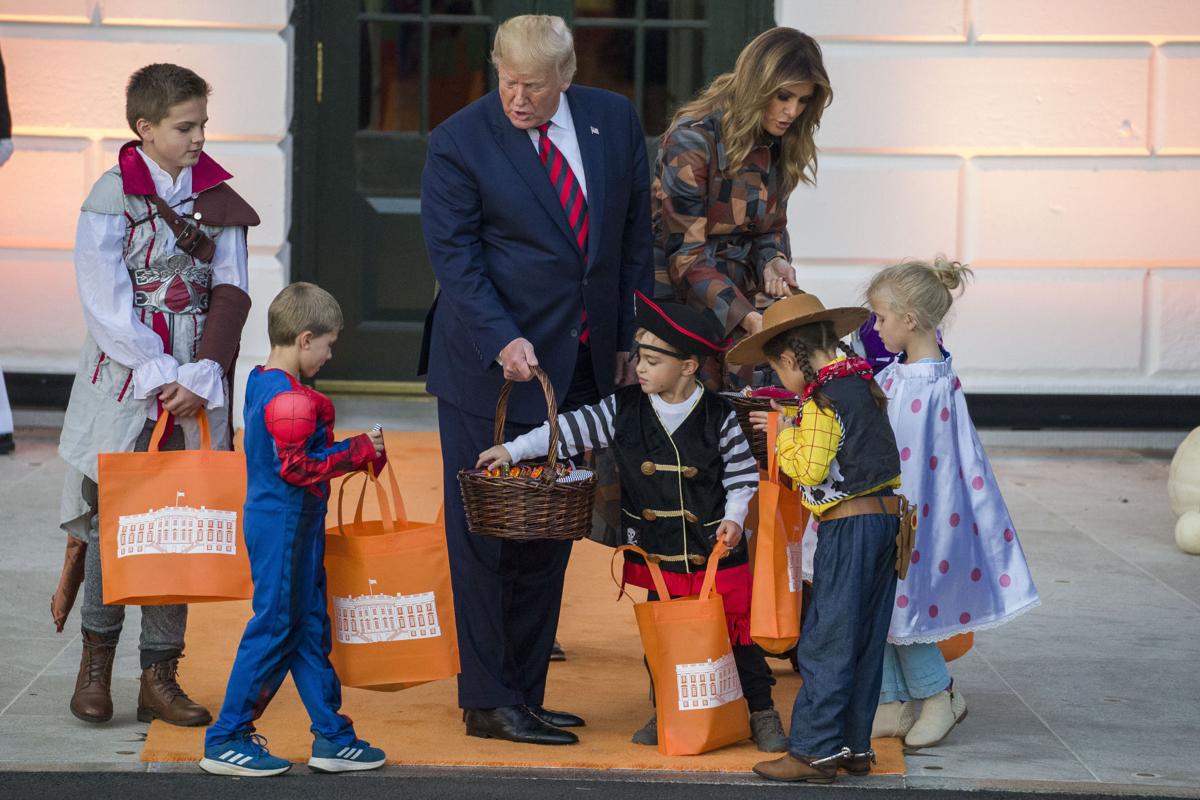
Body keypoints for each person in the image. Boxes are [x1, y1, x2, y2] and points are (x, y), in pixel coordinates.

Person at [419, 14, 652, 745]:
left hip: (580, 363)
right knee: (486, 534)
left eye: (534, 86)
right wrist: (501, 338)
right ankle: (488, 699)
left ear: (568, 75)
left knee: (549, 529)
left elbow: (630, 239)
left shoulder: (613, 122)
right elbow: (455, 258)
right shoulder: (459, 141)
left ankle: (526, 690)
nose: (517, 98)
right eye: (507, 81)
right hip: (489, 369)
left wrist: (626, 339)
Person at [477, 293, 789, 752]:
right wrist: (513, 449)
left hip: (716, 548)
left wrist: (736, 519)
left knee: (735, 637)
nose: (639, 368)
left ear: (687, 366)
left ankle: (761, 711)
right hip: (657, 547)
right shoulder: (621, 408)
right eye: (639, 356)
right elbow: (566, 429)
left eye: (652, 360)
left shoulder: (719, 415)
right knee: (661, 636)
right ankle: (667, 710)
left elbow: (742, 477)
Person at [56, 63, 256, 727]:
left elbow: (231, 288)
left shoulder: (219, 197)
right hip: (126, 381)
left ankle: (159, 677)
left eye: (202, 123)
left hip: (197, 379)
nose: (199, 137)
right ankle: (95, 669)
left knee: (180, 524)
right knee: (116, 529)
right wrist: (155, 371)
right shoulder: (109, 199)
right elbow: (105, 302)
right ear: (145, 129)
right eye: (184, 126)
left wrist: (200, 377)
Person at [200, 282, 388, 777]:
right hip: (283, 525)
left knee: (306, 627)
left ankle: (331, 736)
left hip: (289, 524)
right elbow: (298, 467)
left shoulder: (263, 382)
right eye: (328, 345)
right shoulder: (290, 399)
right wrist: (360, 451)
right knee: (275, 627)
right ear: (305, 339)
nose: (330, 355)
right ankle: (226, 737)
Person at [865, 257, 1040, 748]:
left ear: (911, 320)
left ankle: (940, 695)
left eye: (881, 318)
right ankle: (893, 701)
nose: (875, 329)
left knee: (906, 606)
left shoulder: (931, 384)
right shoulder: (902, 375)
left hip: (914, 519)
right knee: (879, 602)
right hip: (892, 511)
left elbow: (926, 463)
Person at [731, 293, 902, 783]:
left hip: (848, 528)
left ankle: (812, 752)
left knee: (827, 637)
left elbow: (808, 467)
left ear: (790, 358)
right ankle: (852, 745)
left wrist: (782, 429)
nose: (783, 383)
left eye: (779, 371)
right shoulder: (861, 380)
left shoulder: (822, 400)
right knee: (864, 638)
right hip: (885, 522)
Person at [653, 27, 831, 390]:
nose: (791, 111)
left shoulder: (780, 140)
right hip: (680, 299)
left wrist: (774, 261)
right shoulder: (693, 140)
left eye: (802, 101)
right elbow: (685, 256)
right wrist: (746, 317)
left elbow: (770, 228)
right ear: (757, 84)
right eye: (783, 97)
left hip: (745, 296)